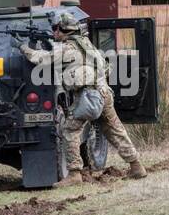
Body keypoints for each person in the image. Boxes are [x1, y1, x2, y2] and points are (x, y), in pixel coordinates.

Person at [19, 11, 145, 185]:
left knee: (70, 131)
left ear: (65, 30)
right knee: (115, 130)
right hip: (104, 93)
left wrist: (23, 48)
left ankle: (74, 174)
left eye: (56, 29)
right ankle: (136, 166)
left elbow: (41, 59)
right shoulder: (87, 44)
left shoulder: (67, 49)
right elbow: (106, 68)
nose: (54, 32)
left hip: (87, 97)